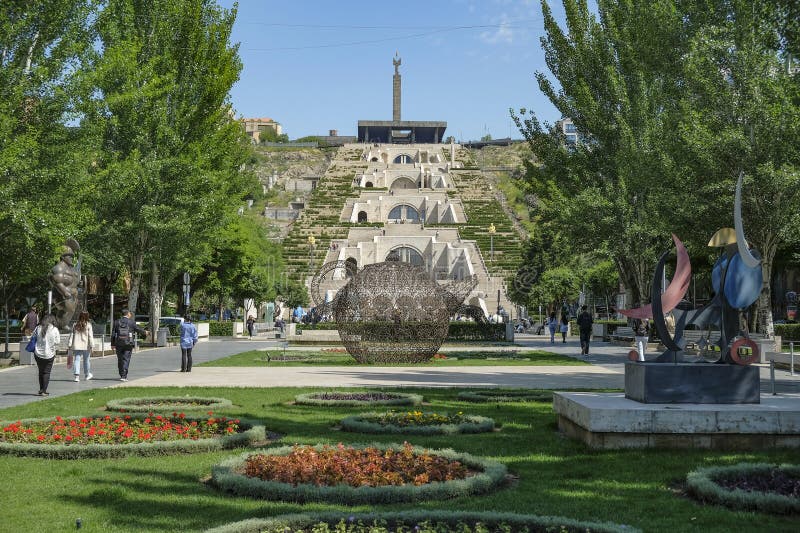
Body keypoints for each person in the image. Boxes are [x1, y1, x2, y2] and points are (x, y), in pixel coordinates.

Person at [49, 241, 81, 332]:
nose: (71, 258)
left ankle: (60, 325)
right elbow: (57, 282)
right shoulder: (59, 268)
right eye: (69, 256)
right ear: (63, 257)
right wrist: (65, 292)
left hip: (72, 295)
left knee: (70, 310)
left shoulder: (70, 268)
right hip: (61, 295)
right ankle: (61, 325)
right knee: (68, 309)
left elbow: (75, 280)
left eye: (72, 256)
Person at [112, 308, 147, 382]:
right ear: (128, 314)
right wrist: (145, 332)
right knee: (126, 359)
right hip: (128, 343)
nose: (131, 314)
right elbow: (138, 329)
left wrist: (112, 344)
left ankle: (121, 374)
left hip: (118, 343)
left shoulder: (116, 322)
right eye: (130, 313)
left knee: (120, 359)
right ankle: (124, 376)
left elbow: (113, 334)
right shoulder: (131, 322)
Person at [33, 313, 60, 396]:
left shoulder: (38, 328)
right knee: (46, 372)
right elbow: (57, 342)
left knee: (41, 372)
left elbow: (33, 338)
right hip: (50, 354)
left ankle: (41, 389)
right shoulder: (54, 329)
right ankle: (44, 391)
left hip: (38, 354)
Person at [68, 311, 93, 382]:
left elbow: (71, 335)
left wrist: (69, 344)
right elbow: (90, 336)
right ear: (87, 316)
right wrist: (91, 345)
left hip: (76, 345)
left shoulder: (75, 324)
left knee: (77, 360)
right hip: (86, 346)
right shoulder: (88, 325)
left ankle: (76, 376)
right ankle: (87, 375)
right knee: (86, 360)